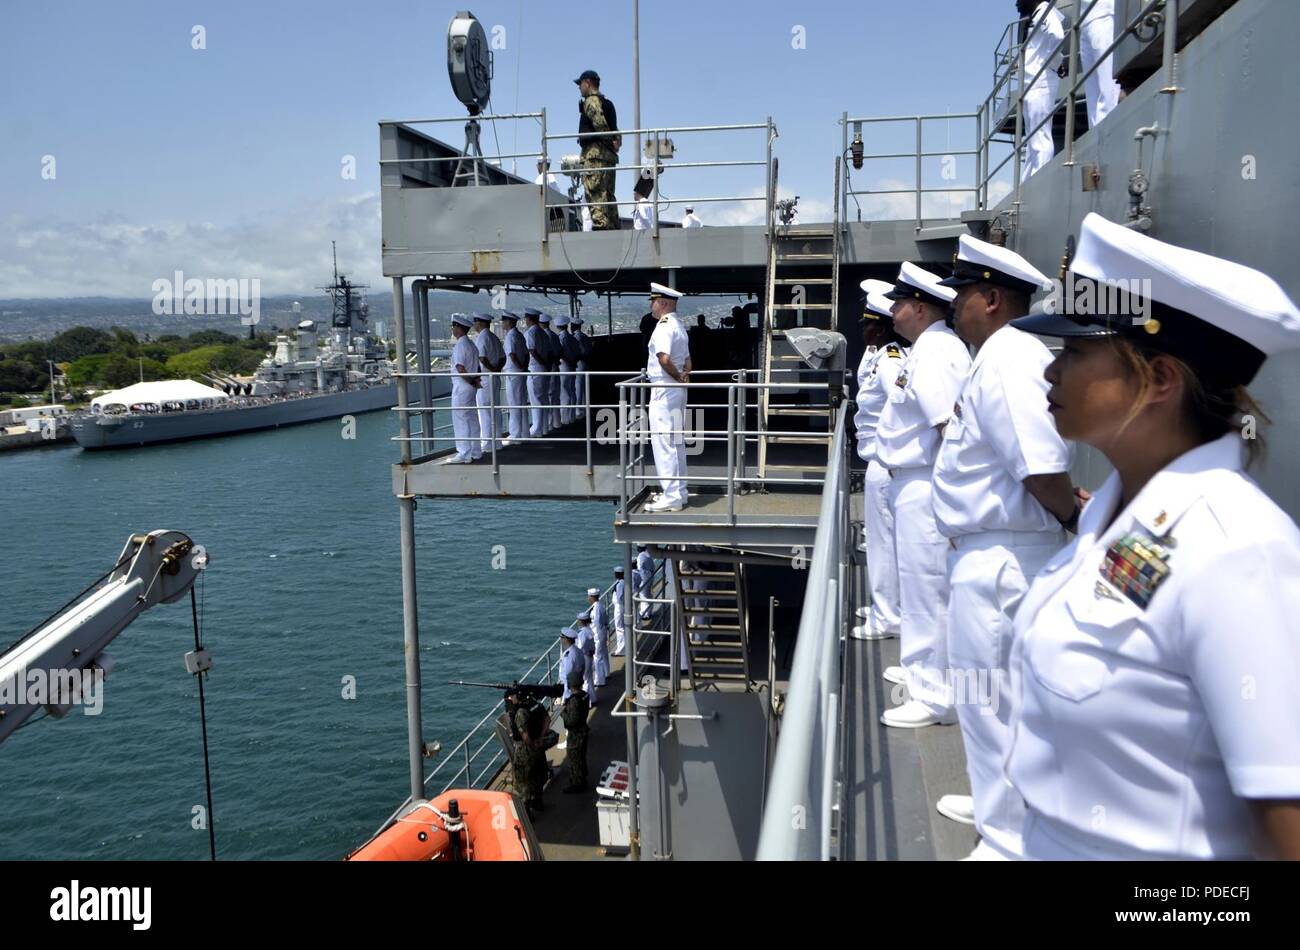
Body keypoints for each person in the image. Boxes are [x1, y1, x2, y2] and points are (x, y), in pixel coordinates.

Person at [1004, 212, 1300, 860]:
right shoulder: (1111, 513)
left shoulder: (1238, 552)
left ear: (1159, 380)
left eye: (1075, 353)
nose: (1050, 374)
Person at [930, 235, 1078, 861]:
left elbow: (1038, 462)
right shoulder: (998, 354)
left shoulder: (1009, 357)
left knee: (996, 702)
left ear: (990, 298)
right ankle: (997, 803)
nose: (954, 305)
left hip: (1002, 559)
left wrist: (1070, 512)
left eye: (962, 294)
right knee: (981, 697)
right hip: (989, 551)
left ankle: (1011, 839)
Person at [874, 263, 969, 727]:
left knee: (928, 586)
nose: (892, 310)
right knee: (916, 584)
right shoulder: (926, 349)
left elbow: (948, 430)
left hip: (927, 483)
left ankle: (936, 696)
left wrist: (953, 501)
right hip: (911, 480)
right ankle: (920, 673)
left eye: (899, 303)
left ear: (919, 307)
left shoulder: (936, 353)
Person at [851, 279, 908, 643]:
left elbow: (901, 404)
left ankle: (888, 616)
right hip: (879, 460)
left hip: (884, 461)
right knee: (880, 542)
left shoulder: (890, 361)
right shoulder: (878, 356)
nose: (862, 328)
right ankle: (884, 606)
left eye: (867, 323)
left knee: (884, 543)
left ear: (882, 325)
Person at [645, 282, 692, 512]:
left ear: (662, 302)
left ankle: (671, 496)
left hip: (664, 389)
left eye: (653, 301)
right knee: (676, 441)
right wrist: (683, 376)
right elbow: (688, 362)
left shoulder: (663, 327)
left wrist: (677, 377)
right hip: (677, 391)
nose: (651, 306)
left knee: (664, 442)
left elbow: (664, 359)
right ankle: (680, 492)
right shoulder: (679, 325)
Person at [1017, 0, 1065, 177]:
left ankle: (1040, 178)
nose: (1017, 3)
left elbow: (1058, 36)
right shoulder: (1036, 14)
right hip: (1031, 83)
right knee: (1031, 141)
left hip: (1040, 81)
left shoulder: (1046, 11)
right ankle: (1027, 182)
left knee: (1040, 140)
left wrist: (1054, 64)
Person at [575, 69, 621, 230]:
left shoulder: (591, 101)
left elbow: (601, 126)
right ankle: (613, 227)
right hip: (608, 158)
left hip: (595, 158)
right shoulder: (608, 103)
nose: (579, 88)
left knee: (595, 194)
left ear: (587, 83)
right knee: (608, 195)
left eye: (580, 84)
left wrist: (611, 142)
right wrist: (616, 142)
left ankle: (601, 228)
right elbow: (615, 130)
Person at [445, 313, 482, 463]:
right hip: (471, 387)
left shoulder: (460, 345)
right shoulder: (472, 344)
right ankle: (476, 451)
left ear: (459, 328)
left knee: (460, 418)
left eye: (454, 326)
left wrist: (472, 381)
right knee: (472, 418)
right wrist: (475, 381)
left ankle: (463, 453)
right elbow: (478, 367)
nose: (453, 329)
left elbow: (460, 368)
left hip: (462, 386)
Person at [1078, 0, 1120, 129]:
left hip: (1103, 14)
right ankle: (1096, 130)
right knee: (1092, 90)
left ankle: (1110, 127)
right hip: (1084, 20)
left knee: (1107, 81)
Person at [472, 312, 505, 454]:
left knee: (485, 411)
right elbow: (503, 358)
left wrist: (492, 370)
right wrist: (497, 370)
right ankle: (497, 441)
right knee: (495, 410)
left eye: (475, 322)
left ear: (479, 322)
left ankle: (486, 443)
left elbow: (481, 357)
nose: (474, 325)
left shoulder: (482, 337)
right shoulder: (494, 337)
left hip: (486, 378)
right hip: (495, 377)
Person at [501, 310, 529, 445]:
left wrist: (519, 366)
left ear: (509, 322)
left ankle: (515, 434)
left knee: (514, 403)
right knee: (522, 401)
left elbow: (512, 355)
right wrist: (524, 367)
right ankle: (524, 432)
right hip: (520, 372)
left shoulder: (510, 336)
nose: (502, 323)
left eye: (504, 321)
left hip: (513, 372)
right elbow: (527, 354)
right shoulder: (520, 335)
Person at [560, 669, 590, 793]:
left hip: (575, 734)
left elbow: (571, 721)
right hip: (583, 729)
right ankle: (582, 776)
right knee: (581, 756)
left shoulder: (574, 701)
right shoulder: (584, 695)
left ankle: (577, 783)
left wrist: (563, 713)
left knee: (574, 758)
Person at [523, 308, 547, 438]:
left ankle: (537, 428)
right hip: (543, 369)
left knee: (535, 400)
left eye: (526, 318)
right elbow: (549, 351)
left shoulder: (530, 333)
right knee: (542, 398)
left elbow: (532, 351)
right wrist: (546, 364)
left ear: (529, 319)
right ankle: (544, 426)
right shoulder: (543, 333)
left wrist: (542, 363)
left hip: (535, 368)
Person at [541, 312, 563, 433]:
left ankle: (549, 424)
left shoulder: (544, 336)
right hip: (556, 365)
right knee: (555, 395)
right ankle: (557, 421)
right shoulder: (554, 335)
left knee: (549, 395)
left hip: (549, 367)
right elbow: (560, 351)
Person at [558, 314, 581, 424]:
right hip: (572, 365)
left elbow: (561, 353)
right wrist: (573, 362)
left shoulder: (562, 337)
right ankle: (571, 416)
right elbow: (578, 352)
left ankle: (565, 418)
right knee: (572, 390)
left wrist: (569, 361)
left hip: (564, 366)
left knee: (565, 392)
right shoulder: (572, 338)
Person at [573, 610, 598, 706]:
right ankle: (593, 698)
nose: (577, 621)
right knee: (589, 678)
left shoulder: (582, 633)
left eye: (578, 620)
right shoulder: (589, 630)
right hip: (589, 656)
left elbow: (580, 646)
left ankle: (588, 703)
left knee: (585, 680)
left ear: (582, 621)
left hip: (584, 657)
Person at [587, 587, 609, 688]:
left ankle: (600, 680)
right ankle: (606, 672)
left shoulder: (596, 609)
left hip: (598, 634)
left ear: (592, 597)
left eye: (589, 597)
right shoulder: (600, 605)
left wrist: (592, 635)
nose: (588, 599)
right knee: (604, 653)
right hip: (602, 632)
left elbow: (597, 623)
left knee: (597, 657)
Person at [572, 315, 592, 416]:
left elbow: (580, 351)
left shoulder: (576, 337)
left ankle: (578, 408)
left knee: (578, 385)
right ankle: (584, 406)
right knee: (583, 385)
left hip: (579, 361)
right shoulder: (584, 336)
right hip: (585, 362)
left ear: (573, 326)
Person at [611, 565, 627, 656]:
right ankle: (623, 647)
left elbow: (620, 597)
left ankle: (621, 650)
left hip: (619, 606)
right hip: (620, 606)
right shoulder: (620, 582)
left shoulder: (620, 584)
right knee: (621, 627)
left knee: (619, 628)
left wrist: (619, 604)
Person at [635, 545, 653, 620]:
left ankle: (645, 614)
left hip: (643, 579)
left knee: (643, 596)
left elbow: (639, 569)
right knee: (648, 595)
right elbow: (652, 567)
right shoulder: (648, 555)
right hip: (650, 577)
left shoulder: (640, 557)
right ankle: (649, 612)